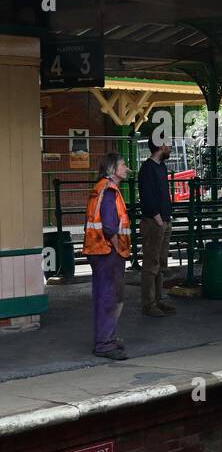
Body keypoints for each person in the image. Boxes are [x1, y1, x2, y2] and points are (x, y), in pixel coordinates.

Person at [84, 153, 131, 360]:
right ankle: (105, 344)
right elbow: (110, 228)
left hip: (98, 250)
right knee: (109, 298)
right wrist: (119, 248)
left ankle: (108, 338)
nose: (127, 168)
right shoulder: (110, 191)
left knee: (106, 296)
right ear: (112, 169)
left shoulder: (100, 188)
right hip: (107, 252)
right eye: (123, 165)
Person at [137, 140, 176, 317]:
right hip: (155, 221)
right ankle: (149, 304)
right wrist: (158, 217)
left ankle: (158, 300)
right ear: (160, 146)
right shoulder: (148, 168)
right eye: (168, 144)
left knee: (161, 263)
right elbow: (147, 195)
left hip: (163, 220)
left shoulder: (160, 167)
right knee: (151, 263)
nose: (170, 147)